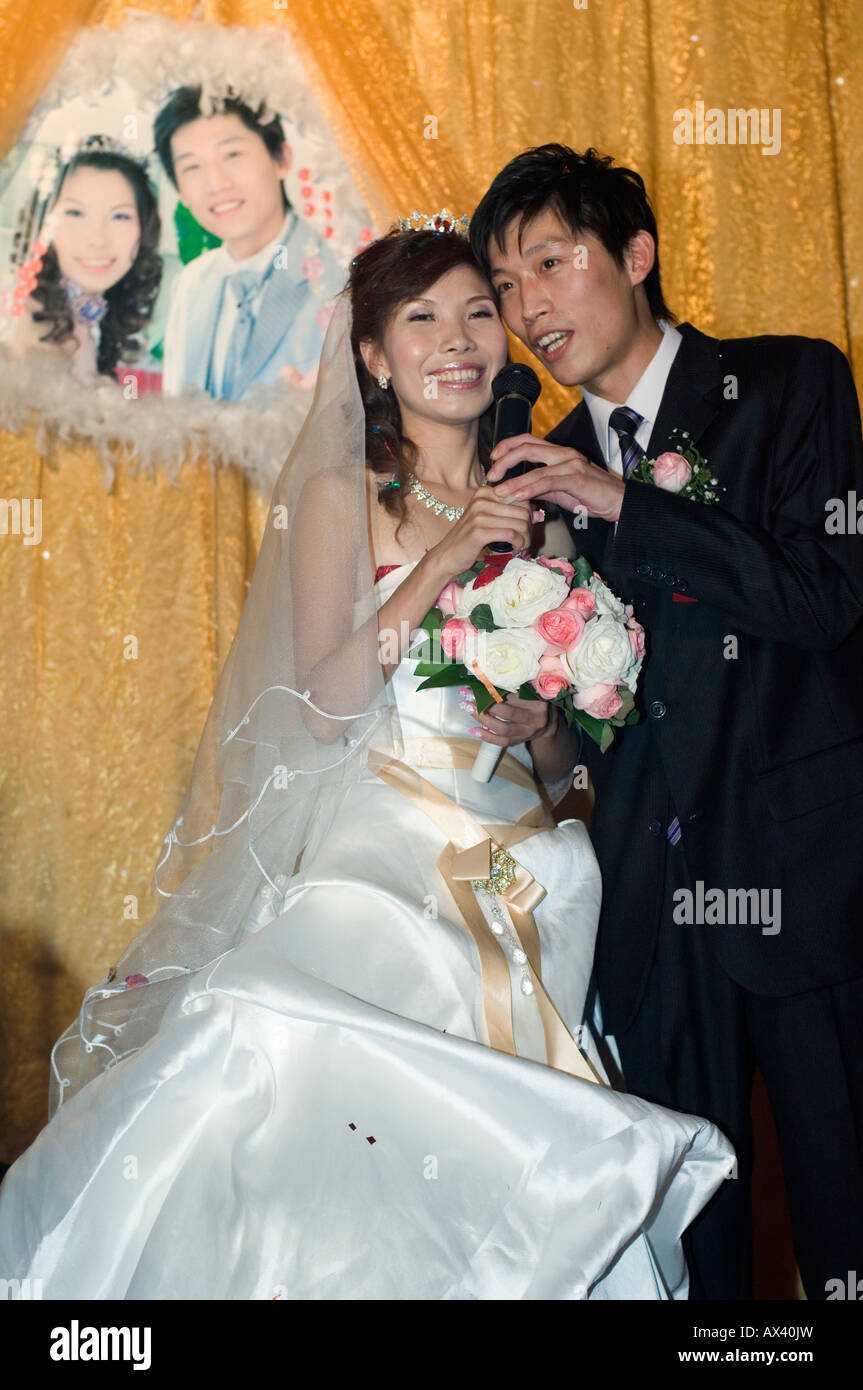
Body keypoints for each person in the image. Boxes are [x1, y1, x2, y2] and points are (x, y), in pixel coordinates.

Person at [0, 223, 732, 1301]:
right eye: (421, 319)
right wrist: (441, 559)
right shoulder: (345, 499)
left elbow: (566, 748)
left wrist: (541, 729)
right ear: (376, 359)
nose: (459, 339)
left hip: (519, 860)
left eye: (478, 311)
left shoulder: (543, 501)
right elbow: (327, 700)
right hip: (381, 838)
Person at [470, 143, 863, 1301]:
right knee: (693, 1247)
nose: (526, 307)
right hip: (646, 899)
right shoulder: (538, 472)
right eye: (503, 286)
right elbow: (587, 715)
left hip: (804, 871)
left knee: (843, 1213)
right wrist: (522, 699)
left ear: (633, 255)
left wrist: (623, 503)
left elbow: (825, 597)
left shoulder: (789, 383)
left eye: (548, 261)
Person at [155, 86, 344, 401]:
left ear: (281, 159)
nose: (216, 183)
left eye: (232, 155)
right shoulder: (191, 282)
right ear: (182, 193)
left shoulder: (343, 275)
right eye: (192, 167)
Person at [8, 136, 161, 382]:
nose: (98, 239)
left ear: (145, 228)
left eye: (120, 216)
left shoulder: (88, 317)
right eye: (75, 213)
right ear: (44, 222)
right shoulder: (25, 327)